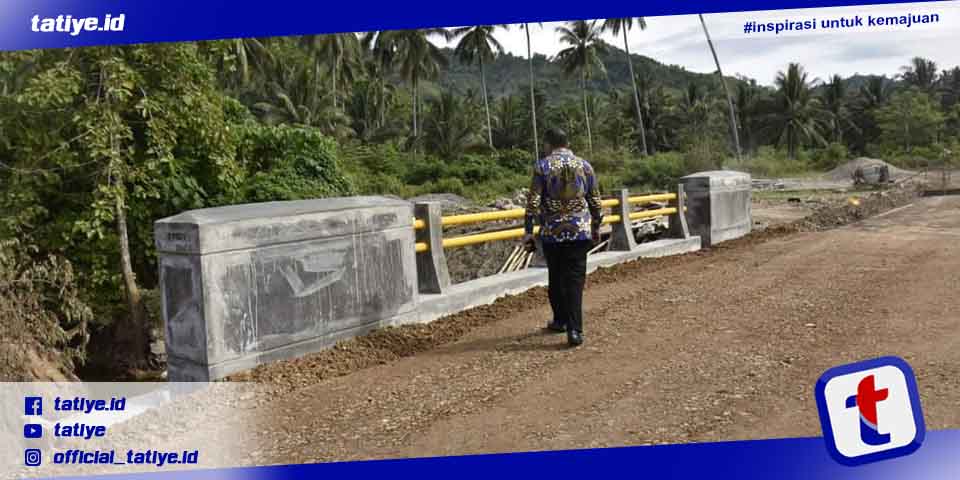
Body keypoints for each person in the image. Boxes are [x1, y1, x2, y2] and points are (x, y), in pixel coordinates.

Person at [522, 128, 602, 347]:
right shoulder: (585, 166)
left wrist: (529, 232)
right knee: (575, 281)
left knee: (556, 277)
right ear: (567, 143)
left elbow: (533, 204)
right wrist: (595, 227)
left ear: (548, 144)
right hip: (580, 231)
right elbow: (595, 201)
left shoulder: (542, 166)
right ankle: (575, 331)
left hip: (552, 233)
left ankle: (560, 320)